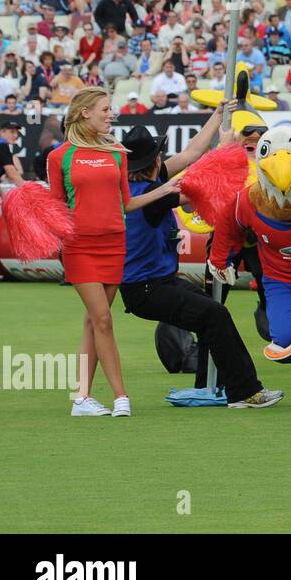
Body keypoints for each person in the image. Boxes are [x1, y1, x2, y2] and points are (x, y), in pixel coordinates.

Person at [118, 116, 283, 409]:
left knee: (211, 313)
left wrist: (218, 114)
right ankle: (246, 392)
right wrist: (227, 151)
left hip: (156, 283)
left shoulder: (147, 183)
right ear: (154, 162)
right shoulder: (151, 196)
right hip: (146, 289)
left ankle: (210, 387)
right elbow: (199, 188)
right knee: (214, 315)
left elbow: (191, 154)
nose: (165, 159)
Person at [51, 87, 182, 417]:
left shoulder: (118, 154)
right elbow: (55, 209)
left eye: (111, 110)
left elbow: (127, 203)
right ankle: (120, 396)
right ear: (85, 113)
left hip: (114, 245)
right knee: (104, 320)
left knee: (93, 322)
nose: (111, 115)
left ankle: (81, 398)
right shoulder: (59, 157)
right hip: (79, 247)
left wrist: (164, 190)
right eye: (106, 109)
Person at [0, 120, 25, 281]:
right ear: (1, 132)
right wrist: (27, 190)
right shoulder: (1, 146)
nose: (14, 135)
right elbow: (11, 171)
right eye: (10, 131)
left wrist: (3, 197)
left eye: (16, 132)